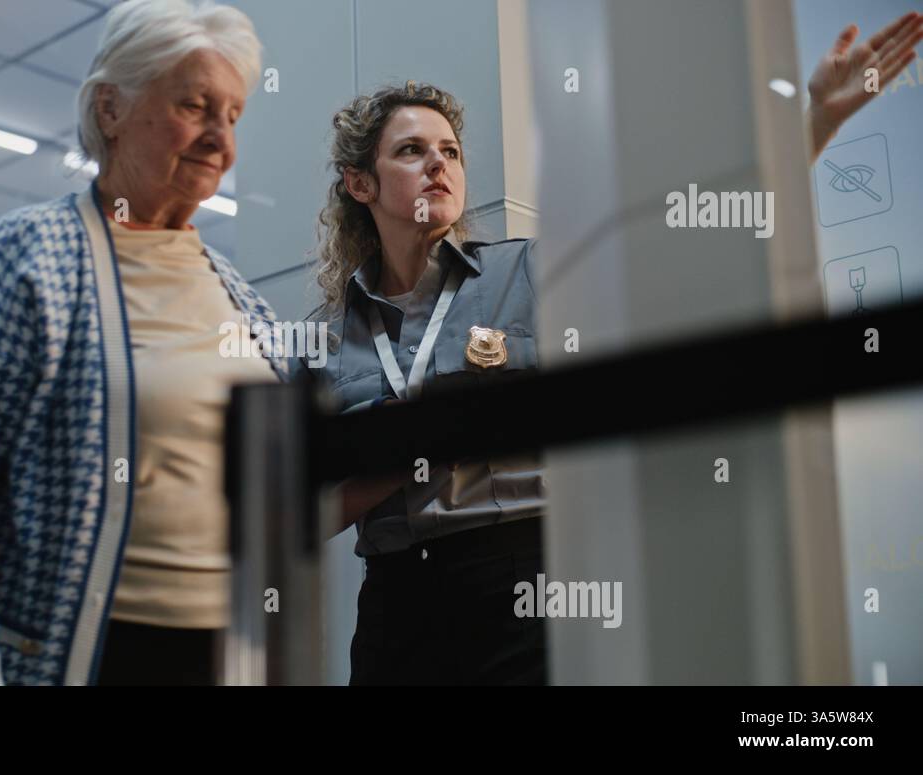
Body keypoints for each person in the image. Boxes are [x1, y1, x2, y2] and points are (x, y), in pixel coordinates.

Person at [296, 12, 923, 685]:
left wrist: (814, 123)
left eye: (450, 151)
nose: (438, 166)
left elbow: (679, 248)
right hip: (394, 604)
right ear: (361, 184)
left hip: (524, 582)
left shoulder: (531, 273)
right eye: (412, 151)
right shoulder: (329, 336)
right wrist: (413, 437)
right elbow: (305, 513)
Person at [0, 0, 282, 686]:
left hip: (230, 652)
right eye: (195, 106)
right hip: (87, 653)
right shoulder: (33, 253)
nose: (219, 140)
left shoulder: (243, 300)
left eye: (232, 117)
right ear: (110, 108)